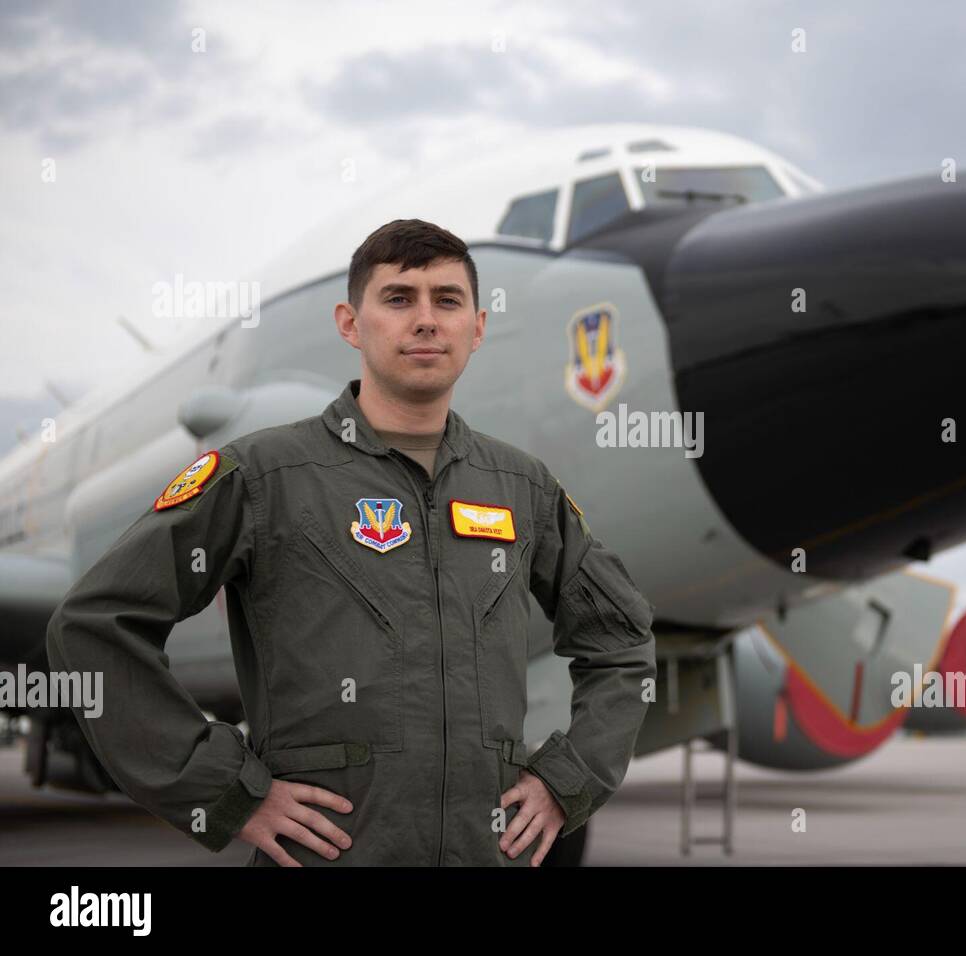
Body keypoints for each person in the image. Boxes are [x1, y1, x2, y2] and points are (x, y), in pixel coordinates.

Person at [44, 218, 658, 866]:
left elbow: (621, 638)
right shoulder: (263, 476)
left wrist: (568, 781)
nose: (425, 321)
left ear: (477, 328)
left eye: (447, 301)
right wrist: (228, 791)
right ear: (349, 323)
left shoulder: (522, 487)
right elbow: (92, 625)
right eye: (398, 299)